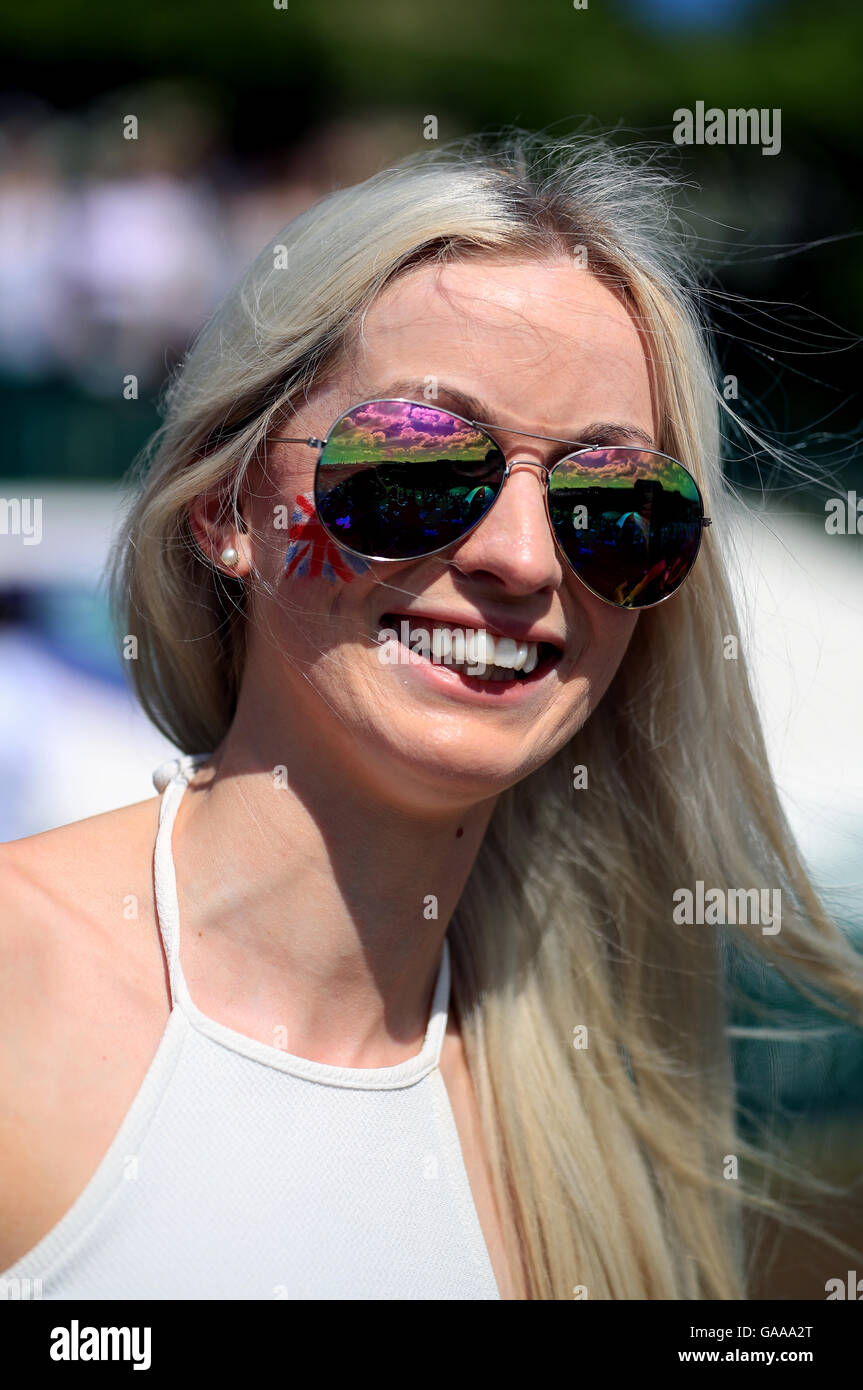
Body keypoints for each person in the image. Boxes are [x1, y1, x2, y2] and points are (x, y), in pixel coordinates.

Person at [1, 129, 860, 1301]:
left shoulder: (610, 1108)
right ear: (226, 511)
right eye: (413, 459)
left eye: (611, 500)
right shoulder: (18, 989)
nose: (518, 557)